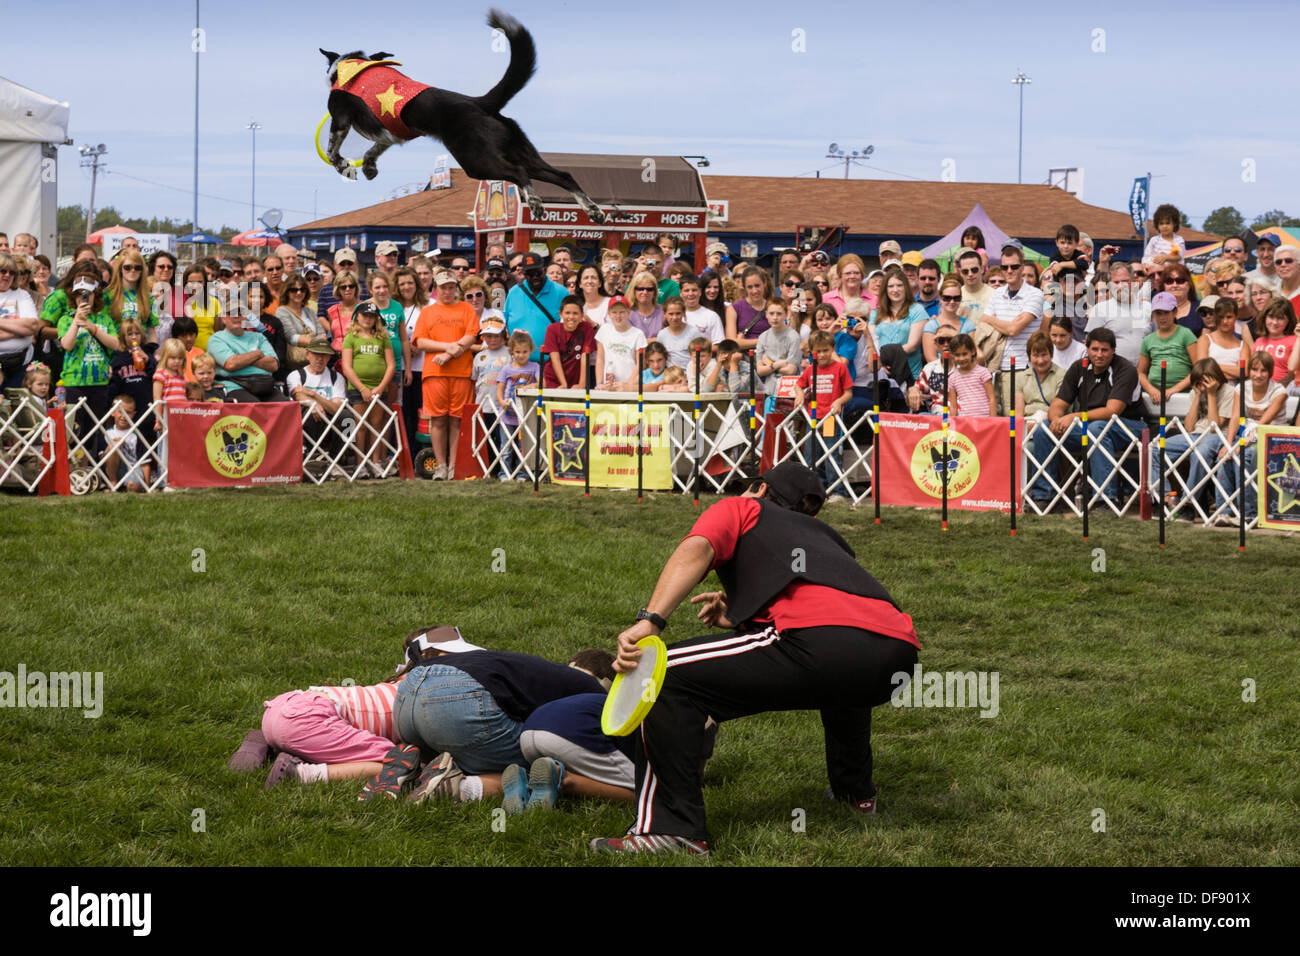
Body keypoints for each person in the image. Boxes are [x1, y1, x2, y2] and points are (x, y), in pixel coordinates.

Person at [590, 461, 920, 855]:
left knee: (662, 674)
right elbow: (827, 604)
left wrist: (651, 620)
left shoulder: (744, 507)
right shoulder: (825, 536)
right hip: (897, 649)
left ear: (759, 489)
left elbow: (698, 547)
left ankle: (671, 830)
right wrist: (742, 613)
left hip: (820, 640)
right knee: (843, 677)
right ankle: (856, 794)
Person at [1028, 328, 1144, 507]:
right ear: (1086, 348)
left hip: (1130, 427)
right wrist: (1057, 420)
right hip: (1088, 427)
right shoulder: (1079, 367)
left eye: (1104, 350)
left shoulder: (1125, 369)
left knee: (1096, 428)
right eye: (1095, 349)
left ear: (1113, 351)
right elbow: (1058, 404)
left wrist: (1073, 416)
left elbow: (1112, 411)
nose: (1099, 355)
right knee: (1044, 429)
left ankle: (1105, 498)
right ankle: (1044, 496)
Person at [412, 270, 480, 479]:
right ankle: (440, 466)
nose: (448, 291)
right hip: (434, 373)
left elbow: (471, 337)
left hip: (461, 372)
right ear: (435, 289)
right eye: (443, 287)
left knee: (457, 420)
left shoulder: (466, 309)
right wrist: (448, 348)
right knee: (438, 420)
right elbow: (420, 342)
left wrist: (448, 355)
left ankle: (453, 465)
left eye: (451, 287)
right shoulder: (427, 312)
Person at [1152, 359, 1230, 513]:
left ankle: (1187, 502)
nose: (1202, 386)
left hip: (1218, 436)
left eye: (1206, 382)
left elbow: (1214, 427)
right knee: (1155, 449)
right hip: (1194, 436)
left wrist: (1211, 395)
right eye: (1198, 383)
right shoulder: (1196, 392)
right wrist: (1197, 396)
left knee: (1200, 453)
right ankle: (1165, 498)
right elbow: (1188, 427)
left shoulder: (1228, 392)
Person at [1216, 352, 1286, 523]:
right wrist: (1228, 443)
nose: (1258, 375)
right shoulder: (1241, 388)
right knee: (1225, 457)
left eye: (1263, 371)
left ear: (1270, 372)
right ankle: (1224, 511)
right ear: (1249, 371)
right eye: (1254, 370)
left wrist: (1243, 443)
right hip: (1245, 435)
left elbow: (1263, 423)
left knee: (1244, 456)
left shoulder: (1279, 391)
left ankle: (1248, 513)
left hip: (1272, 437)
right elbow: (1234, 417)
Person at [981, 244, 1046, 414]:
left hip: (1021, 368)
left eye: (1014, 267)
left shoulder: (1035, 294)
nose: (1009, 271)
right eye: (1005, 267)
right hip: (994, 368)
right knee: (993, 421)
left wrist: (993, 320)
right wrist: (1006, 323)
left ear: (1022, 267)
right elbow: (983, 321)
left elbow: (1013, 330)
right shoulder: (997, 293)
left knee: (1014, 424)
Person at [794, 331, 855, 495]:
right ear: (812, 352)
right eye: (818, 351)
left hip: (830, 419)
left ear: (832, 349)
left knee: (830, 455)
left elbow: (849, 392)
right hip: (813, 418)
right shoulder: (810, 370)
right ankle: (816, 489)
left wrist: (838, 401)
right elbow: (798, 384)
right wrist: (799, 394)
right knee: (811, 455)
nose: (821, 355)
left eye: (825, 350)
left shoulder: (840, 368)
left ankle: (837, 491)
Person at [341, 301, 395, 476]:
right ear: (357, 316)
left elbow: (391, 365)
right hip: (358, 388)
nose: (368, 319)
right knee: (360, 426)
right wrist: (362, 388)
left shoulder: (383, 337)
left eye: (372, 316)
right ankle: (360, 463)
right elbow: (346, 367)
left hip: (379, 389)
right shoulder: (351, 337)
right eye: (365, 315)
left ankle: (376, 461)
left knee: (377, 425)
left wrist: (380, 387)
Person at [287, 339, 349, 471]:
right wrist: (313, 405)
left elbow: (337, 408)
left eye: (324, 355)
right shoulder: (296, 375)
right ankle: (311, 457)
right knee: (309, 412)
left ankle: (339, 458)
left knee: (347, 417)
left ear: (329, 357)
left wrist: (313, 395)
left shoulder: (337, 377)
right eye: (316, 354)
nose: (320, 359)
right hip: (307, 420)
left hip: (330, 420)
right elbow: (297, 396)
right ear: (307, 355)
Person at [206, 309, 286, 403]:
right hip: (234, 386)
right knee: (255, 408)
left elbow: (273, 365)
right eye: (231, 313)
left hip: (265, 385)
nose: (236, 316)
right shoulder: (216, 339)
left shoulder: (259, 337)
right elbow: (231, 364)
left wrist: (239, 358)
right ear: (223, 318)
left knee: (287, 407)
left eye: (241, 313)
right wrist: (258, 354)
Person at [1138, 291, 1197, 406]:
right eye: (1158, 313)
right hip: (1154, 396)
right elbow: (1141, 373)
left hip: (1182, 394)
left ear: (1175, 312)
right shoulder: (1148, 340)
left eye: (1166, 312)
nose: (1162, 317)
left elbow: (1198, 368)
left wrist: (1173, 390)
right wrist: (1151, 390)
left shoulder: (1186, 334)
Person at [504, 254, 565, 364]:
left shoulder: (561, 292)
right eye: (530, 274)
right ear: (524, 274)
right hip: (520, 364)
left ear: (544, 270)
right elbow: (505, 322)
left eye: (538, 273)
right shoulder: (513, 292)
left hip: (552, 364)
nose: (535, 277)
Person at [496, 330, 539, 480]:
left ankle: (522, 473)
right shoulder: (507, 369)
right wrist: (501, 402)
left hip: (526, 415)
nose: (521, 355)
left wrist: (531, 385)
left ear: (530, 351)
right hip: (508, 415)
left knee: (524, 447)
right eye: (517, 352)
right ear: (512, 351)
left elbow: (542, 384)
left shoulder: (534, 367)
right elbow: (500, 389)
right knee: (506, 447)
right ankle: (504, 473)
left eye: (525, 352)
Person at [471, 317, 510, 479]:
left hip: (502, 405)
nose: (492, 340)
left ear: (503, 335)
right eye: (488, 336)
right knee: (486, 438)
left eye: (496, 336)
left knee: (503, 439)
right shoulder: (479, 357)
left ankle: (505, 468)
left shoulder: (510, 354)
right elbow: (474, 380)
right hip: (483, 405)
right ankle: (488, 468)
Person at [871, 269, 928, 380]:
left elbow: (912, 345)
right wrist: (879, 363)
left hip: (910, 375)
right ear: (885, 289)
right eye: (891, 286)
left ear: (905, 287)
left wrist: (884, 357)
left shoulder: (917, 310)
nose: (895, 290)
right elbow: (871, 343)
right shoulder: (875, 313)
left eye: (899, 285)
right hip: (882, 375)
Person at [0, 252, 40, 388]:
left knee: (17, 407)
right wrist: (20, 329)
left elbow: (32, 326)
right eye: (3, 271)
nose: (7, 275)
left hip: (19, 365)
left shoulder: (22, 295)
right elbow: (26, 328)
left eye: (12, 272)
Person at [595, 295, 647, 391]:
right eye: (614, 312)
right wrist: (599, 383)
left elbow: (640, 364)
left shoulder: (638, 334)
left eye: (622, 312)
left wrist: (628, 385)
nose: (618, 316)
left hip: (628, 385)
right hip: (607, 385)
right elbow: (600, 358)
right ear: (609, 314)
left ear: (628, 312)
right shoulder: (604, 330)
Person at [1193, 298, 1252, 382]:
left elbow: (1244, 372)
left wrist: (1212, 366)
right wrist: (1234, 372)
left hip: (1233, 392)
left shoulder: (1243, 345)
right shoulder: (1205, 340)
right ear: (1216, 316)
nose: (1225, 321)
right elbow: (1201, 369)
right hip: (1208, 389)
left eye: (1229, 317)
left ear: (1236, 316)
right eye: (1221, 317)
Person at [542, 295, 594, 389]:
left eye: (575, 313)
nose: (571, 317)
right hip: (553, 379)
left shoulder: (587, 328)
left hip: (575, 381)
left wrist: (582, 384)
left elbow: (585, 357)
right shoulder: (552, 329)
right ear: (560, 314)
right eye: (567, 313)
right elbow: (555, 358)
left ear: (582, 315)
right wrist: (563, 384)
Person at [106, 250, 157, 344]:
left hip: (141, 352)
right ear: (120, 269)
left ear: (142, 271)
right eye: (127, 267)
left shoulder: (149, 298)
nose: (133, 270)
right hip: (115, 352)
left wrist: (154, 353)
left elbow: (152, 331)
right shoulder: (108, 296)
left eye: (137, 267)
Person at [103, 395, 150, 492]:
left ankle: (125, 486)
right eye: (120, 411)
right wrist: (115, 446)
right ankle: (113, 483)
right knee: (115, 445)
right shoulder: (105, 433)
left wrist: (148, 487)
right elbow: (102, 460)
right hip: (114, 470)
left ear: (133, 414)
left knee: (132, 486)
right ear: (112, 412)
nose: (124, 416)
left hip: (133, 469)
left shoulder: (137, 435)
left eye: (128, 413)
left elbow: (144, 463)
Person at [1252, 297, 1299, 387]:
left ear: (1289, 320)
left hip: (1285, 392)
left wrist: (1276, 390)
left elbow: (1294, 372)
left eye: (1280, 318)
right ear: (1264, 317)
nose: (1274, 322)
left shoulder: (1295, 341)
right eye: (1271, 316)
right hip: (1259, 391)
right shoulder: (1258, 341)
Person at [946, 333, 994, 417]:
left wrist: (993, 421)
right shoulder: (952, 378)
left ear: (973, 351)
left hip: (985, 420)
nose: (961, 358)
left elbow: (992, 398)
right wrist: (951, 425)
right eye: (957, 355)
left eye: (964, 354)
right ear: (952, 355)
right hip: (966, 422)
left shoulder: (983, 372)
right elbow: (953, 407)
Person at [725, 268, 772, 350]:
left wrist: (743, 342)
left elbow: (781, 338)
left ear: (764, 283)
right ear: (744, 287)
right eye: (750, 287)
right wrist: (763, 341)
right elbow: (731, 343)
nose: (754, 291)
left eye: (757, 285)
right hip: (743, 360)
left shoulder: (773, 306)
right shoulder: (734, 308)